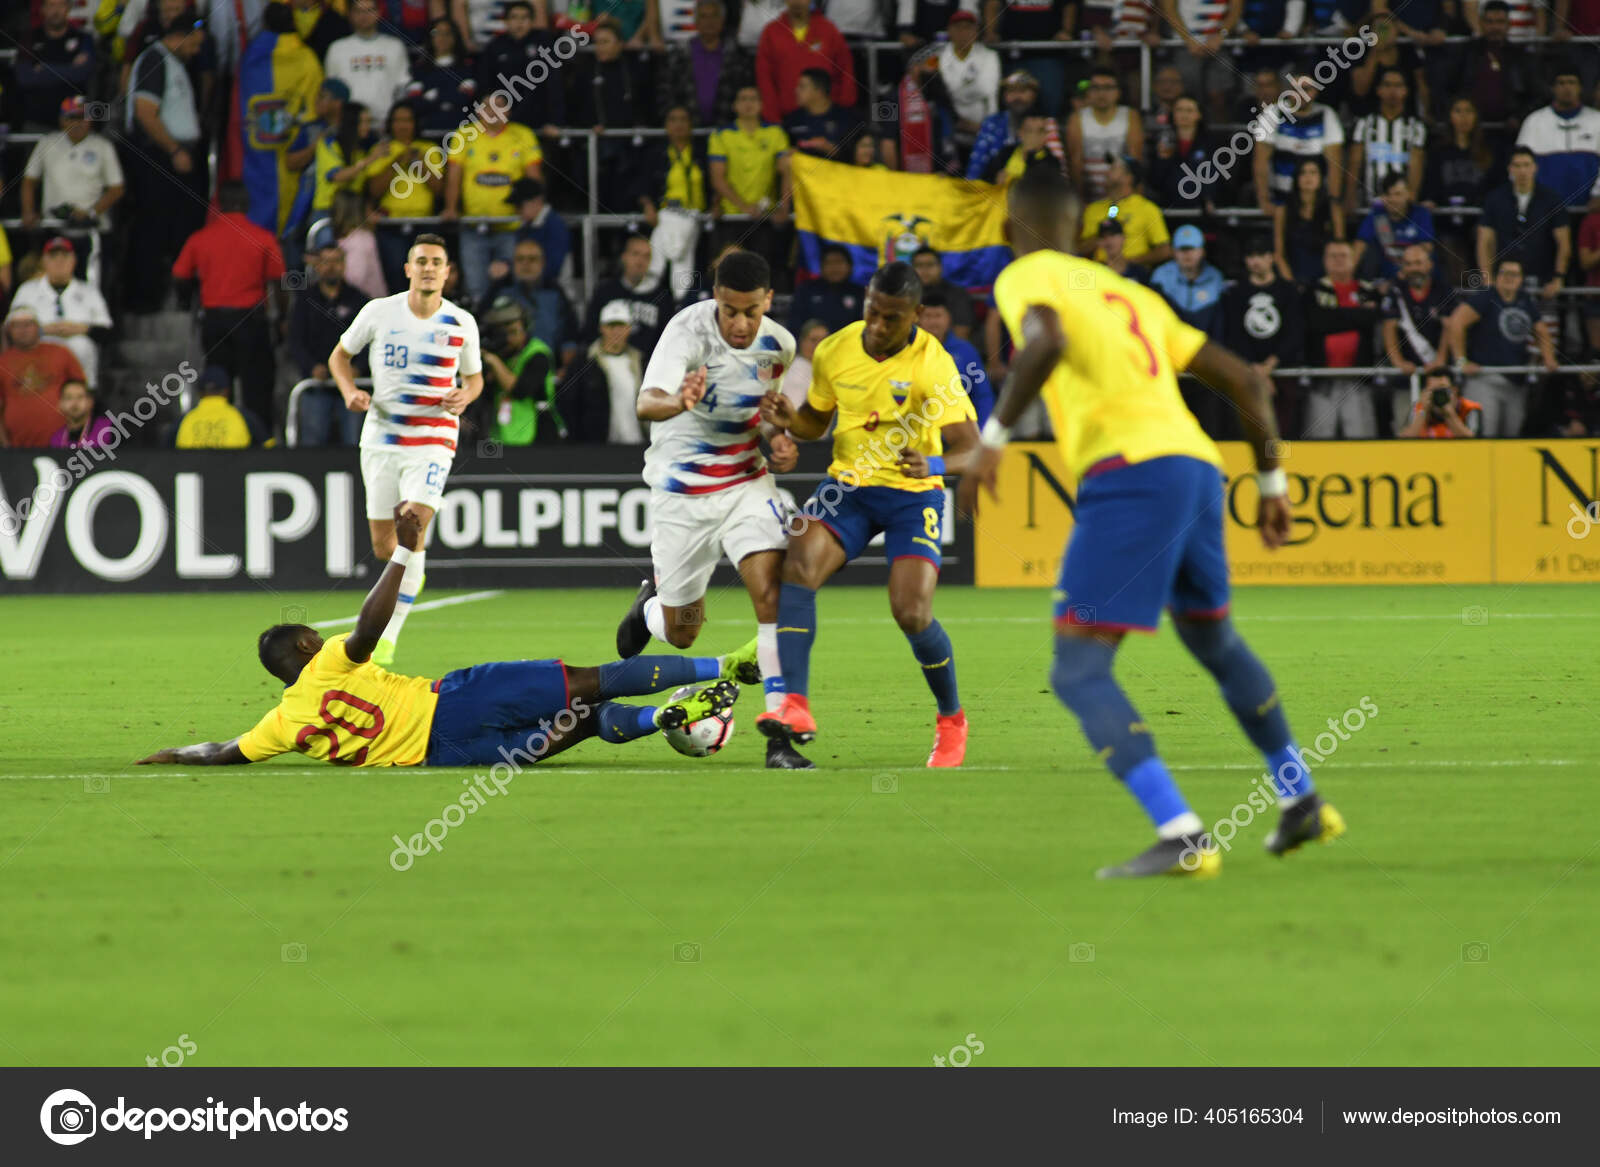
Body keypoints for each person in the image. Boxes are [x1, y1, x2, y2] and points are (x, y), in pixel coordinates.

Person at [959, 166, 1344, 879]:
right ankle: (1302, 799)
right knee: (1213, 637)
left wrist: (993, 442)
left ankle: (1183, 832)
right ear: (1080, 229)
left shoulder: (1025, 276)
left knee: (1077, 669)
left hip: (1130, 472)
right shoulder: (1129, 291)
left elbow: (1042, 340)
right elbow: (1248, 380)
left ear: (1010, 229)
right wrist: (1273, 481)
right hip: (1198, 469)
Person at [135, 506, 755, 770]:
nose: (318, 638)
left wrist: (171, 754)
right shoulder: (325, 662)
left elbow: (223, 752)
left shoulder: (282, 724)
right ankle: (725, 665)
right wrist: (405, 550)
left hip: (449, 760)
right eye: (310, 635)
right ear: (303, 649)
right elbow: (368, 627)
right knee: (589, 682)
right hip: (454, 701)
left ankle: (665, 719)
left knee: (587, 721)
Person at [756, 261, 980, 769]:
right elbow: (817, 420)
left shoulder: (934, 364)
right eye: (873, 312)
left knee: (911, 611)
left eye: (892, 318)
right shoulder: (835, 348)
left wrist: (937, 463)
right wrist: (793, 423)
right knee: (798, 562)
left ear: (917, 315)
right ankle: (796, 705)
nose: (878, 326)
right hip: (848, 490)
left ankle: (951, 719)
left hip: (912, 495)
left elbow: (974, 451)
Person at [611, 250, 808, 770]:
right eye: (729, 310)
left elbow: (767, 419)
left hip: (746, 484)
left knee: (772, 596)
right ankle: (648, 607)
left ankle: (780, 735)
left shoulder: (779, 346)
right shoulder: (687, 331)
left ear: (768, 301)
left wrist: (780, 442)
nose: (739, 324)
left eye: (750, 311)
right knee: (682, 632)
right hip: (683, 493)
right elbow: (646, 403)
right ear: (714, 299)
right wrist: (680, 400)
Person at [327, 233, 484, 667]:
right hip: (381, 437)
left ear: (448, 272)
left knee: (413, 522)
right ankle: (416, 566)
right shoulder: (379, 312)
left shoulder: (461, 323)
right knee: (385, 547)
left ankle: (388, 637)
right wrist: (348, 391)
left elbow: (474, 378)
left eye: (437, 261)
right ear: (408, 269)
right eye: (422, 261)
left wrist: (465, 396)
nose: (430, 267)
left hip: (433, 439)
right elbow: (339, 357)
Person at [172, 183, 287, 431]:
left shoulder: (200, 238)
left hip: (214, 322)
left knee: (217, 386)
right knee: (257, 385)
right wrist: (281, 318)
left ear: (219, 205)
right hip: (251, 321)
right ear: (247, 205)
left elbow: (180, 275)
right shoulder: (262, 237)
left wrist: (185, 300)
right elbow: (279, 281)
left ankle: (220, 437)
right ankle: (260, 439)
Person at [122, 11, 210, 309]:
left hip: (170, 156)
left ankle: (168, 294)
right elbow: (145, 112)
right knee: (154, 225)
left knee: (173, 226)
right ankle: (144, 299)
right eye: (193, 45)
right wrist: (174, 149)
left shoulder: (171, 62)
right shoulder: (155, 60)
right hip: (157, 156)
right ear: (178, 37)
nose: (196, 52)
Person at [1440, 256, 1558, 437]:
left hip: (1516, 382)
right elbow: (1457, 322)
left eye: (1515, 274)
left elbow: (1541, 330)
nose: (1509, 278)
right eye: (1505, 273)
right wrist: (1461, 361)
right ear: (1497, 276)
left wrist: (1549, 358)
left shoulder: (1524, 300)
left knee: (1512, 435)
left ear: (1521, 279)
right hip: (1485, 378)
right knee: (1484, 434)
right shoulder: (1487, 297)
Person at [442, 98, 543, 303]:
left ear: (508, 111)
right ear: (478, 111)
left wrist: (534, 208)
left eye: (500, 106)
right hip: (473, 227)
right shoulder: (465, 134)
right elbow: (454, 175)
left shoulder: (522, 135)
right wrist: (450, 207)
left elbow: (534, 176)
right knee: (476, 289)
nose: (494, 111)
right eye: (488, 106)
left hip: (511, 226)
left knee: (515, 287)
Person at [1223, 236, 1306, 439]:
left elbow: (1295, 333)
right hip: (1247, 373)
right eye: (1250, 256)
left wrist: (1268, 368)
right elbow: (1235, 336)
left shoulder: (1288, 291)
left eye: (1260, 255)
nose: (1255, 261)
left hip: (1284, 372)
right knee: (1250, 432)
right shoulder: (1236, 294)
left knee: (1284, 433)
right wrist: (1258, 371)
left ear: (1271, 258)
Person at [288, 242, 367, 447]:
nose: (331, 267)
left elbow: (370, 340)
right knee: (313, 444)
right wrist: (311, 367)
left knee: (355, 442)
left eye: (336, 261)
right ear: (317, 266)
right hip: (316, 385)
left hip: (350, 385)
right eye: (326, 262)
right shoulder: (305, 300)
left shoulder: (358, 300)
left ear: (344, 264)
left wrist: (359, 367)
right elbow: (295, 341)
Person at [1303, 239, 1382, 439]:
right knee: (1319, 438)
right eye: (1333, 256)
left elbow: (1373, 319)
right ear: (1324, 261)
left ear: (1353, 259)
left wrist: (1334, 316)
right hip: (1323, 379)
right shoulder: (1314, 290)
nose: (1338, 260)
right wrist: (1358, 315)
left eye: (1343, 256)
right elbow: (1316, 322)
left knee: (1361, 438)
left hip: (1358, 377)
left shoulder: (1366, 291)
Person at [10, 237, 114, 389]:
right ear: (44, 261)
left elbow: (107, 332)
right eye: (53, 257)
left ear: (74, 260)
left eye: (64, 256)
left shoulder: (89, 292)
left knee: (81, 345)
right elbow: (10, 330)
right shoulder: (27, 290)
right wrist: (42, 329)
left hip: (81, 376)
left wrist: (81, 329)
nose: (59, 262)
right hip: (36, 370)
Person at [706, 84, 793, 265]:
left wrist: (784, 207)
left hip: (764, 216)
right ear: (735, 106)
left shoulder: (775, 133)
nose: (748, 104)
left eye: (753, 99)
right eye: (743, 99)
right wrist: (744, 207)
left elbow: (787, 171)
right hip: (731, 216)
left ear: (761, 105)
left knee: (762, 271)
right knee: (727, 271)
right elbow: (717, 178)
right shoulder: (722, 135)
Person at [365, 100, 442, 292]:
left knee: (425, 278)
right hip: (391, 226)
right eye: (398, 120)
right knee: (396, 277)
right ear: (390, 124)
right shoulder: (381, 150)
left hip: (424, 224)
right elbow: (374, 191)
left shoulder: (429, 149)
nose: (403, 125)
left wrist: (421, 163)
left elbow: (439, 189)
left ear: (415, 123)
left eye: (407, 120)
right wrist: (398, 162)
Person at [1477, 147, 1571, 302]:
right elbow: (1484, 241)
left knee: (1543, 324)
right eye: (1517, 165)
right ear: (1510, 168)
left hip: (1541, 277)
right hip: (1503, 277)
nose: (1522, 171)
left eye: (1526, 165)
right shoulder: (1495, 199)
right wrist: (1487, 277)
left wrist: (1558, 277)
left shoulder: (1551, 199)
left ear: (1535, 167)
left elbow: (1564, 243)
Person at [20, 96, 126, 231]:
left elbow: (117, 189)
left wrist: (90, 214)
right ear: (62, 120)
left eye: (82, 117)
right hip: (54, 224)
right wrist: (28, 211)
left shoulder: (103, 146)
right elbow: (29, 180)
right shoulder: (47, 143)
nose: (77, 123)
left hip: (92, 227)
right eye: (72, 117)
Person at [479, 296, 575, 445]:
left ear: (525, 327)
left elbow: (520, 390)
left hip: (539, 433)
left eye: (512, 331)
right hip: (501, 434)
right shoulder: (500, 353)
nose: (507, 337)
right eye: (501, 331)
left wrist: (493, 361)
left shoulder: (538, 353)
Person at [1382, 242, 1457, 431]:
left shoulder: (1443, 290)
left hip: (1439, 376)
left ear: (1429, 265)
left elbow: (1449, 327)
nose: (1414, 268)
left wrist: (1440, 359)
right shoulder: (1396, 291)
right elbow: (1389, 327)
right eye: (1408, 264)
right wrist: (1398, 362)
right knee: (1406, 427)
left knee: (1445, 425)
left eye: (1418, 263)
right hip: (1407, 378)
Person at [479, 238, 580, 376]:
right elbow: (482, 326)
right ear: (513, 263)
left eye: (532, 259)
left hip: (548, 372)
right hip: (505, 373)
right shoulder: (500, 289)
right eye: (520, 259)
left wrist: (567, 369)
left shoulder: (555, 292)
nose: (526, 264)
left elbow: (570, 336)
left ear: (542, 263)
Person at [1254, 72, 1345, 213]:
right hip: (1280, 198)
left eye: (1306, 89)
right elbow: (1260, 162)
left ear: (1315, 91)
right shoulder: (1273, 113)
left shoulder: (1327, 114)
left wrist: (1333, 202)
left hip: (1317, 203)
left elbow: (1335, 165)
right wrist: (1264, 200)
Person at [755, 0, 856, 125]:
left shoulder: (828, 29)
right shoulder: (771, 31)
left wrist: (844, 108)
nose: (797, 2)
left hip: (827, 116)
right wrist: (772, 115)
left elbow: (845, 69)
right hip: (785, 117)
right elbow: (764, 77)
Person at [0, 306, 87, 448]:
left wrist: (78, 436)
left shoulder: (61, 352)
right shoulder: (2, 362)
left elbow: (82, 397)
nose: (23, 330)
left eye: (28, 324)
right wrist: (4, 444)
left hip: (63, 444)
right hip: (16, 447)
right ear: (9, 330)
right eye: (16, 326)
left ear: (38, 327)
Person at [656, 0, 752, 129]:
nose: (709, 21)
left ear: (722, 20)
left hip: (728, 133)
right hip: (688, 133)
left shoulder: (739, 56)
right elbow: (665, 92)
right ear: (695, 21)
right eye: (703, 16)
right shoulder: (678, 56)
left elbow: (746, 93)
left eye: (714, 16)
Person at [580, 234, 678, 359]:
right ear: (624, 257)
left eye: (646, 256)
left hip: (648, 368)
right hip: (608, 362)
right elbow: (590, 332)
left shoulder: (662, 296)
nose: (640, 261)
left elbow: (668, 338)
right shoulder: (605, 291)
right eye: (635, 254)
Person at [1516, 64, 1600, 209]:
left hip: (1589, 209)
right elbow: (1518, 164)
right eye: (1561, 83)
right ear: (1552, 88)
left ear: (1580, 87)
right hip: (1545, 211)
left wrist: (1598, 195)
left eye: (1572, 82)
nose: (1567, 88)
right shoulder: (1535, 121)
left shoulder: (1597, 120)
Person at [1347, 66, 1428, 214]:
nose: (1393, 91)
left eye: (1398, 86)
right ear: (1379, 90)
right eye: (1387, 85)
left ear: (1406, 91)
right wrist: (1350, 197)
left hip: (1402, 206)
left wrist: (1411, 200)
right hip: (1370, 205)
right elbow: (1355, 162)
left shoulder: (1416, 127)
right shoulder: (1364, 124)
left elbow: (1416, 165)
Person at [1445, 1, 1531, 132]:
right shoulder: (1465, 53)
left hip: (1509, 130)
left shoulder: (1520, 56)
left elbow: (1536, 94)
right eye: (1490, 22)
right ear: (1481, 23)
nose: (1495, 27)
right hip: (1470, 130)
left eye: (1500, 22)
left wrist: (1519, 116)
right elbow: (1449, 87)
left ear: (1508, 25)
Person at [966, 70, 1064, 182]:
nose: (1017, 97)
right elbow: (975, 169)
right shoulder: (992, 123)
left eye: (1023, 91)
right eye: (1011, 91)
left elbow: (1058, 172)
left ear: (1035, 95)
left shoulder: (1046, 123)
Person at [1077, 155, 1170, 267]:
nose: (1107, 172)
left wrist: (1130, 263)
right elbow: (1080, 250)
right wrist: (1101, 236)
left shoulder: (1147, 208)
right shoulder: (1093, 209)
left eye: (1113, 168)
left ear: (1128, 178)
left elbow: (1164, 250)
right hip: (1100, 273)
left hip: (1132, 275)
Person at [324, 0, 409, 123]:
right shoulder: (337, 48)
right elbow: (332, 92)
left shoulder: (395, 46)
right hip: (350, 124)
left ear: (379, 12)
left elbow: (403, 87)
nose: (364, 16)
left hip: (385, 122)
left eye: (369, 10)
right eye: (358, 11)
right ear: (350, 14)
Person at [1067, 67, 1143, 202]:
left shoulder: (1130, 116)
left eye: (1108, 87)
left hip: (1122, 191)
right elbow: (1075, 162)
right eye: (1096, 88)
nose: (1101, 93)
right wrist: (1079, 199)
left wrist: (1135, 198)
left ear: (1118, 92)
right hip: (1089, 192)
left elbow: (1134, 160)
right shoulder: (1077, 118)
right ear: (1088, 92)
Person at [920, 289, 992, 425]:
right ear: (918, 320)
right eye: (928, 316)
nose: (933, 322)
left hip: (958, 428)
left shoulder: (966, 351)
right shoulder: (909, 349)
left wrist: (982, 433)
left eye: (938, 316)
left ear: (949, 318)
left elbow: (982, 396)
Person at [1353, 173, 1436, 287]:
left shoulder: (1420, 214)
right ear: (1382, 197)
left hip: (1415, 278)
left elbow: (1426, 248)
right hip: (1384, 282)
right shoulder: (1377, 215)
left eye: (1398, 194)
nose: (1393, 199)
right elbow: (1359, 246)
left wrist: (1401, 276)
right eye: (1388, 195)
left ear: (1408, 194)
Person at [1274, 157, 1344, 287]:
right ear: (1296, 178)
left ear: (1321, 177)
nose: (1308, 177)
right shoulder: (1283, 209)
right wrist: (1292, 285)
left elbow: (1339, 249)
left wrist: (1329, 282)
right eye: (1303, 173)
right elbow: (1278, 255)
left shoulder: (1332, 207)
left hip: (1326, 278)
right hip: (1292, 276)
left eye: (1313, 172)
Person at [937, 9, 1000, 153]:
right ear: (949, 31)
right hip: (951, 126)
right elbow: (944, 92)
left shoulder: (990, 56)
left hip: (983, 126)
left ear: (976, 31)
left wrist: (984, 127)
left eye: (968, 27)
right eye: (958, 28)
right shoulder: (939, 58)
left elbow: (988, 90)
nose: (963, 32)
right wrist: (971, 87)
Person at [173, 363, 269, 447]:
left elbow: (163, 455)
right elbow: (271, 453)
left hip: (192, 467)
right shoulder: (246, 418)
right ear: (226, 391)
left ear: (200, 393)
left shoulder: (183, 421)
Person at [783, 68, 863, 160]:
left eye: (802, 87)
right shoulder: (792, 120)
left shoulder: (847, 119)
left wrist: (830, 148)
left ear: (819, 91)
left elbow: (858, 157)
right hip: (804, 172)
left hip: (839, 173)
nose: (796, 90)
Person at [789, 244, 866, 336]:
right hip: (813, 346)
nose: (834, 268)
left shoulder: (859, 293)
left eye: (839, 262)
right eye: (829, 263)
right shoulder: (806, 291)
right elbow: (795, 325)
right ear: (821, 267)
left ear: (850, 266)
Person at [910, 247, 975, 340]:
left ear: (941, 267)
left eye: (930, 265)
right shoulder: (906, 296)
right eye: (919, 265)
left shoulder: (958, 294)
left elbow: (962, 331)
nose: (925, 270)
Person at [1397, 367, 1482, 437]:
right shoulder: (1419, 408)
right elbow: (1405, 441)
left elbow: (1475, 443)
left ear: (1455, 390)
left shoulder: (1469, 408)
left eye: (1442, 389)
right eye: (1433, 390)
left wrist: (1449, 414)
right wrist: (1423, 412)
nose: (1437, 395)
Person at [778, 317, 829, 408]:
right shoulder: (798, 369)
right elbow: (794, 410)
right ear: (802, 342)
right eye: (813, 340)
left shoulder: (823, 368)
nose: (818, 345)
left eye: (823, 340)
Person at [1094, 219, 1149, 284]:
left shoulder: (1140, 272)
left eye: (1113, 235)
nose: (1109, 241)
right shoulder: (1095, 271)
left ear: (1123, 238)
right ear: (1098, 242)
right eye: (1103, 237)